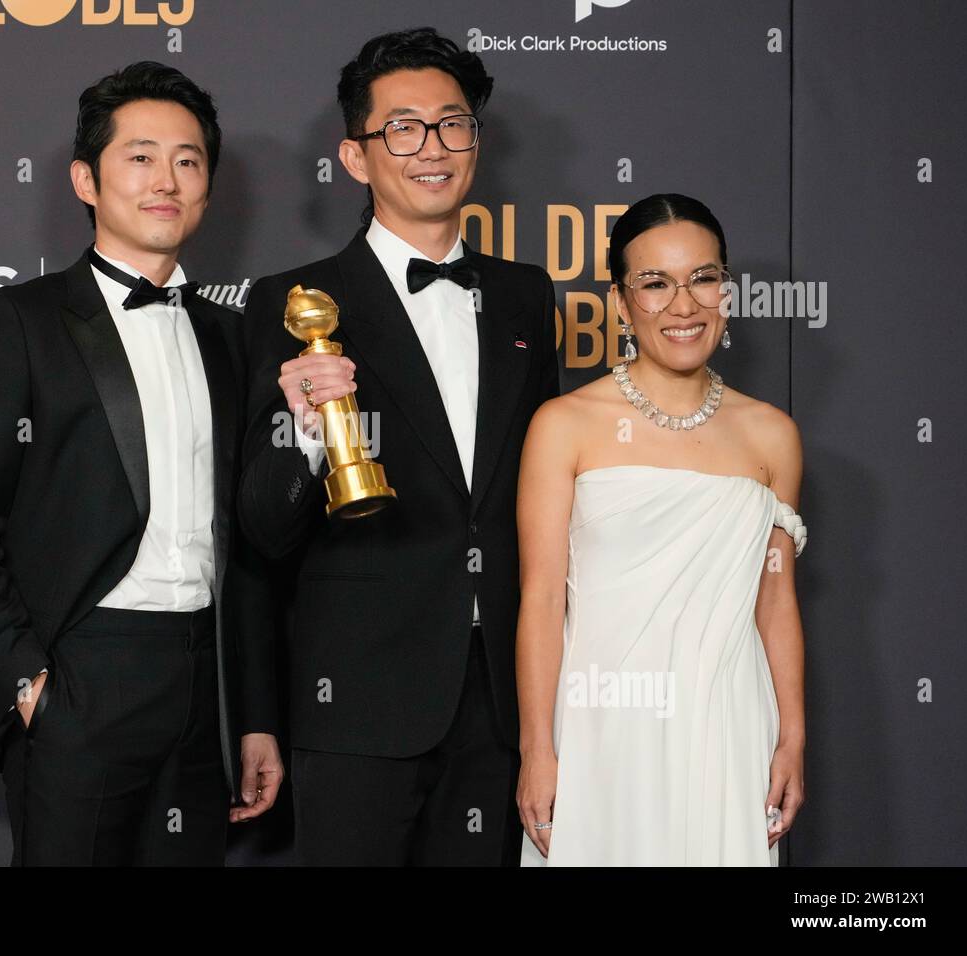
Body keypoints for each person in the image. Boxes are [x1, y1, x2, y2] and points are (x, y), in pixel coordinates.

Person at [0, 61, 283, 866]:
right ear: (87, 179)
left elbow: (246, 545)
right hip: (82, 674)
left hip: (202, 681)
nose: (167, 180)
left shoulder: (229, 337)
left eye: (188, 161)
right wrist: (32, 688)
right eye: (140, 156)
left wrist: (251, 714)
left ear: (209, 188)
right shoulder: (16, 322)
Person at [239, 27, 560, 865]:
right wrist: (307, 433)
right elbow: (262, 530)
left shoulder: (527, 297)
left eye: (454, 125)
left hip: (503, 699)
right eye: (404, 128)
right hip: (355, 698)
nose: (433, 148)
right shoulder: (291, 303)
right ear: (355, 156)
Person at [516, 193, 807, 866]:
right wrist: (539, 747)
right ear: (622, 302)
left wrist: (791, 736)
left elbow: (776, 597)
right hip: (601, 727)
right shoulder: (565, 424)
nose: (684, 306)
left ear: (726, 292)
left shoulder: (772, 435)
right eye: (655, 283)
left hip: (729, 725)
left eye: (703, 278)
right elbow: (540, 598)